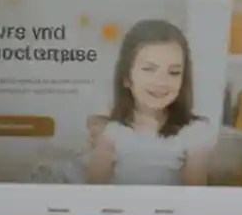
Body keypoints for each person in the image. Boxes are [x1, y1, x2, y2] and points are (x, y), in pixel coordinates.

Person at [86, 19, 214, 185]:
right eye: (149, 69)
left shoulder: (194, 133)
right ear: (126, 77)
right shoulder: (112, 134)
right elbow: (93, 192)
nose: (161, 81)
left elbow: (193, 197)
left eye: (174, 72)